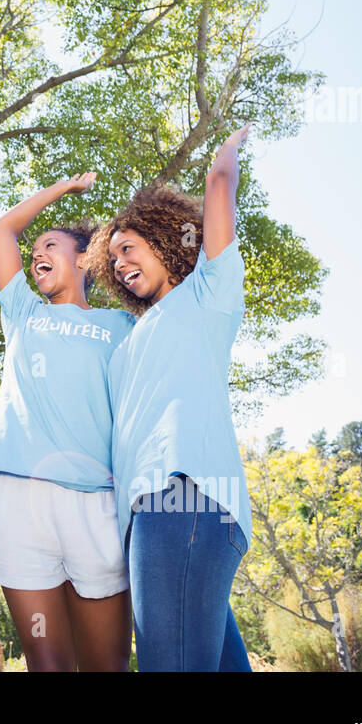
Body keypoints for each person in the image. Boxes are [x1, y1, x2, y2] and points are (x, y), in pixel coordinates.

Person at [85, 124, 254, 672]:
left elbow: (219, 189)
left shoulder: (208, 295)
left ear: (165, 240)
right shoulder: (130, 339)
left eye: (127, 248)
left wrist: (227, 152)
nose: (118, 263)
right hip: (149, 512)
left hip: (183, 497)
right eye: (111, 259)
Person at [0, 172, 136, 671]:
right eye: (35, 250)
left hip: (99, 504)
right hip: (17, 498)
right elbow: (4, 230)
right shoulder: (23, 312)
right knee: (48, 666)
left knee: (105, 666)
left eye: (51, 245)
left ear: (86, 259)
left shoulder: (123, 326)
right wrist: (63, 189)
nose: (35, 254)